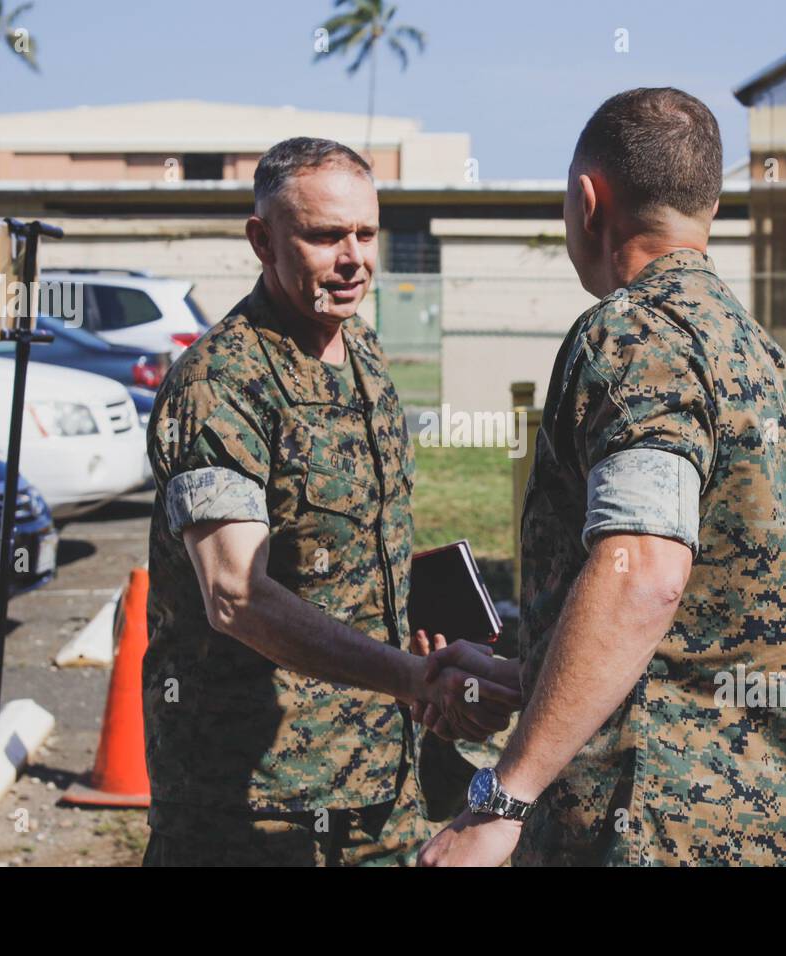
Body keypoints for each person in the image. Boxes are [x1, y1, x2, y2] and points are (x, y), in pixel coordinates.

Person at [417, 88, 786, 866]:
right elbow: (711, 620)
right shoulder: (774, 369)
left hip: (651, 825)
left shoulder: (632, 336)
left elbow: (644, 572)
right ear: (706, 203)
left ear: (589, 201)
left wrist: (502, 797)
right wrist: (528, 671)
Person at [141, 137, 519, 867]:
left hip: (386, 780)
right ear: (262, 239)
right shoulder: (221, 384)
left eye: (366, 233)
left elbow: (363, 555)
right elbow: (235, 596)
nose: (353, 258)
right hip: (255, 802)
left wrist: (424, 646)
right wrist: (410, 676)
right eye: (324, 236)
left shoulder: (366, 356)